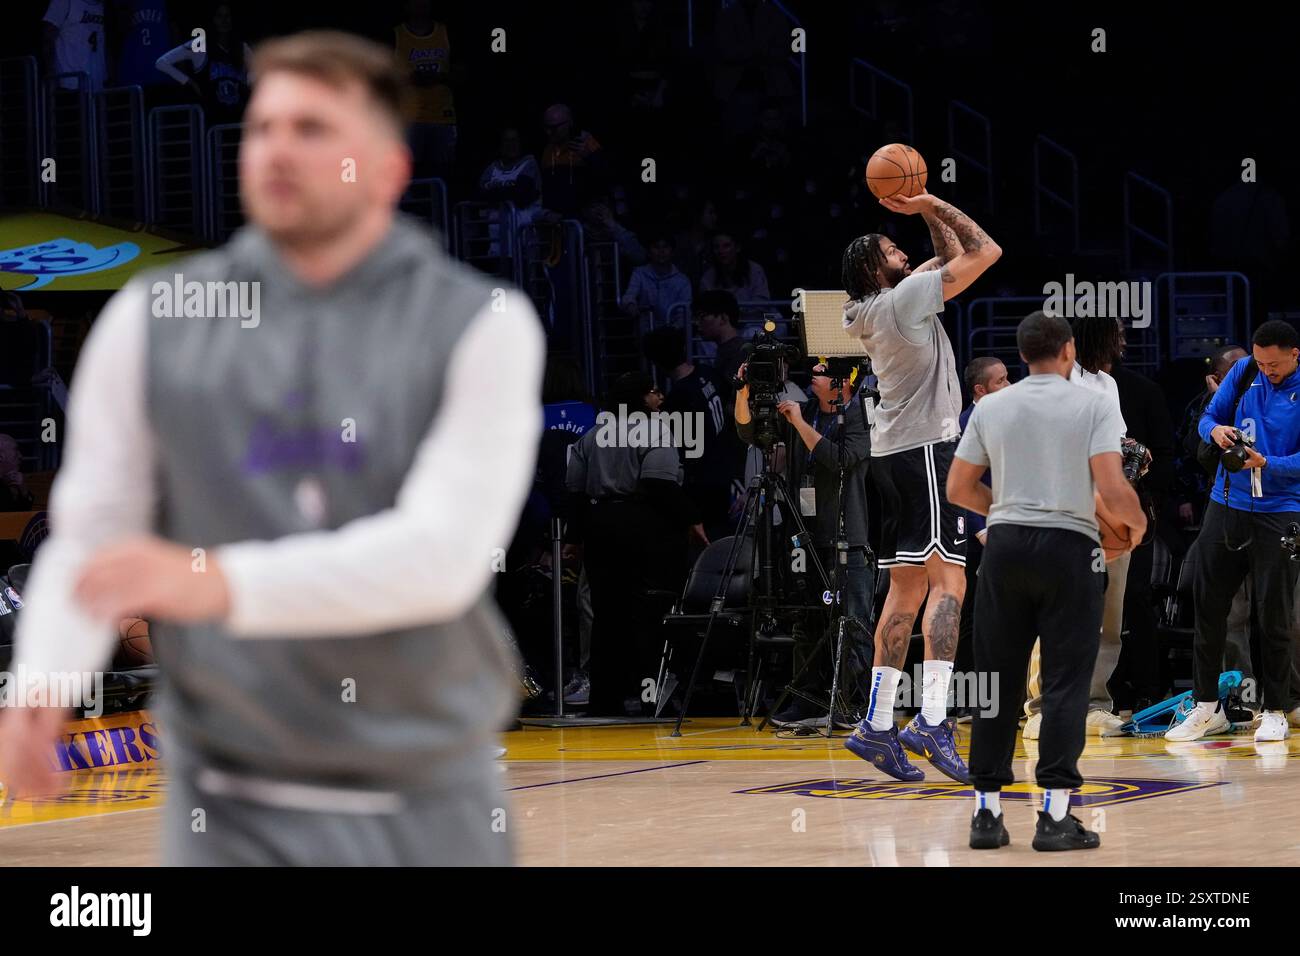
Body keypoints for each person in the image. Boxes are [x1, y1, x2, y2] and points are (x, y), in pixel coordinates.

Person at [0, 31, 546, 866]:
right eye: (262, 128)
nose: (279, 149)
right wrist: (43, 684)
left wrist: (209, 582)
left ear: (387, 168)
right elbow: (91, 535)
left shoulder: (480, 324)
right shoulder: (149, 319)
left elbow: (440, 555)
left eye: (313, 129)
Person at [948, 311, 1145, 852]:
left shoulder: (991, 405)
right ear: (1068, 352)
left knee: (995, 681)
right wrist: (1138, 523)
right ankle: (1055, 817)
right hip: (1069, 548)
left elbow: (959, 487)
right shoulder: (1094, 401)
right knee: (1064, 684)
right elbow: (1111, 481)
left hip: (1006, 548)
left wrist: (1009, 514)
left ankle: (986, 814)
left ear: (1023, 356)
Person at [839, 188, 1001, 783]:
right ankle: (932, 718)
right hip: (930, 453)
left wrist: (927, 220)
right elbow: (984, 250)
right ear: (870, 267)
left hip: (892, 456)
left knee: (904, 591)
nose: (902, 251)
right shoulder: (905, 300)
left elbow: (945, 257)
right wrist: (930, 200)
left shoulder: (871, 308)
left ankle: (877, 723)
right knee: (951, 581)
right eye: (890, 247)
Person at [1168, 320, 1300, 742]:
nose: (1267, 370)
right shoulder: (1244, 373)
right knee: (1208, 607)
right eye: (1261, 362)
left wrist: (1267, 464)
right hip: (1227, 506)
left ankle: (1276, 708)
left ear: (1295, 354)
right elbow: (1207, 417)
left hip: (1281, 509)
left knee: (1274, 614)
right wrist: (1217, 430)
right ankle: (1207, 706)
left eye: (1275, 364)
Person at [734, 360, 874, 728]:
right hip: (803, 532)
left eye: (823, 371)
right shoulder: (806, 409)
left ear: (844, 383)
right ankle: (807, 699)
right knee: (806, 620)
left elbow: (841, 460)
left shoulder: (859, 415)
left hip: (847, 536)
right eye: (812, 368)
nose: (813, 373)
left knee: (853, 622)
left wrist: (799, 424)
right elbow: (749, 433)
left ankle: (855, 703)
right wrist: (743, 390)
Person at [1022, 313, 1136, 739]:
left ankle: (1093, 703)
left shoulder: (1109, 384)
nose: (1123, 343)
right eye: (1118, 335)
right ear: (1097, 338)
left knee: (1108, 615)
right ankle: (1041, 708)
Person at [565, 373, 705, 716]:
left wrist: (575, 538)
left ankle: (604, 700)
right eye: (652, 392)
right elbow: (658, 484)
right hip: (642, 527)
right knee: (648, 614)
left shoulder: (592, 435)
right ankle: (649, 698)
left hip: (600, 528)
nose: (659, 397)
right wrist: (692, 518)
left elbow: (575, 492)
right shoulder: (655, 430)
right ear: (642, 400)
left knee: (605, 618)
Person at [642, 327, 733, 541]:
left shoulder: (678, 399)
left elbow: (685, 452)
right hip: (723, 472)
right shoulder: (707, 373)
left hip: (703, 484)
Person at [955, 357, 1009, 702]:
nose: (1009, 386)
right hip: (978, 536)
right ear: (980, 389)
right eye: (1001, 381)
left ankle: (1004, 697)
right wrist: (980, 530)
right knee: (972, 617)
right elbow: (960, 483)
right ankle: (966, 699)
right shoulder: (966, 423)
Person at [154, 1, 251, 125]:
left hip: (237, 119)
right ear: (212, 19)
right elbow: (161, 62)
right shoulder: (200, 44)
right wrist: (190, 82)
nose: (224, 21)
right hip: (211, 120)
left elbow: (256, 74)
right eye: (219, 16)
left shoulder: (242, 47)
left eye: (227, 16)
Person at [393, 0, 458, 177]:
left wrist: (439, 77)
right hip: (411, 116)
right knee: (409, 174)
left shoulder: (445, 32)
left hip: (442, 116)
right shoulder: (396, 35)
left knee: (443, 174)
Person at [621, 235, 692, 329]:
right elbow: (629, 296)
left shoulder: (682, 281)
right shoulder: (639, 273)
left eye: (665, 247)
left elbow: (684, 313)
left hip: (673, 335)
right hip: (645, 333)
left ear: (672, 252)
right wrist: (630, 305)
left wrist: (670, 331)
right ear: (649, 252)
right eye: (656, 247)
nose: (661, 251)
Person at [42, 0, 107, 92]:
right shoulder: (64, 2)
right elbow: (48, 38)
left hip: (96, 82)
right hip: (69, 80)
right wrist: (51, 72)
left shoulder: (101, 5)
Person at [699, 233, 769, 303]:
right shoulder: (707, 278)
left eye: (726, 246)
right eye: (716, 247)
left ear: (737, 248)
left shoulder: (755, 270)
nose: (721, 251)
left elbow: (762, 303)